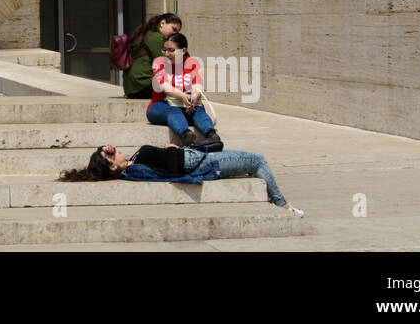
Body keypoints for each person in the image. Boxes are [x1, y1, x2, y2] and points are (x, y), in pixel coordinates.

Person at [58, 143, 304, 216]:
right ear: (112, 167)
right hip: (208, 164)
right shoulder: (136, 170)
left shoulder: (131, 165)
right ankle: (282, 205)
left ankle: (278, 202)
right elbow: (173, 170)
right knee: (257, 161)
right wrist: (173, 150)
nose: (114, 149)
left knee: (252, 164)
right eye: (110, 154)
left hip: (202, 159)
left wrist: (102, 148)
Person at [148, 32, 220, 146]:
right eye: (164, 50)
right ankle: (185, 134)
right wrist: (183, 96)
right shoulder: (159, 62)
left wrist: (194, 97)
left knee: (198, 110)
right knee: (173, 110)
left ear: (183, 50)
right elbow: (166, 87)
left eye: (171, 50)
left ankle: (211, 134)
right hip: (161, 105)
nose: (166, 54)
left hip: (186, 106)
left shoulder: (192, 63)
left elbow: (198, 84)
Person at [122, 12, 181, 99]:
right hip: (142, 86)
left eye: (177, 32)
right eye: (174, 29)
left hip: (132, 88)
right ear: (162, 23)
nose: (175, 34)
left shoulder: (148, 34)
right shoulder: (156, 38)